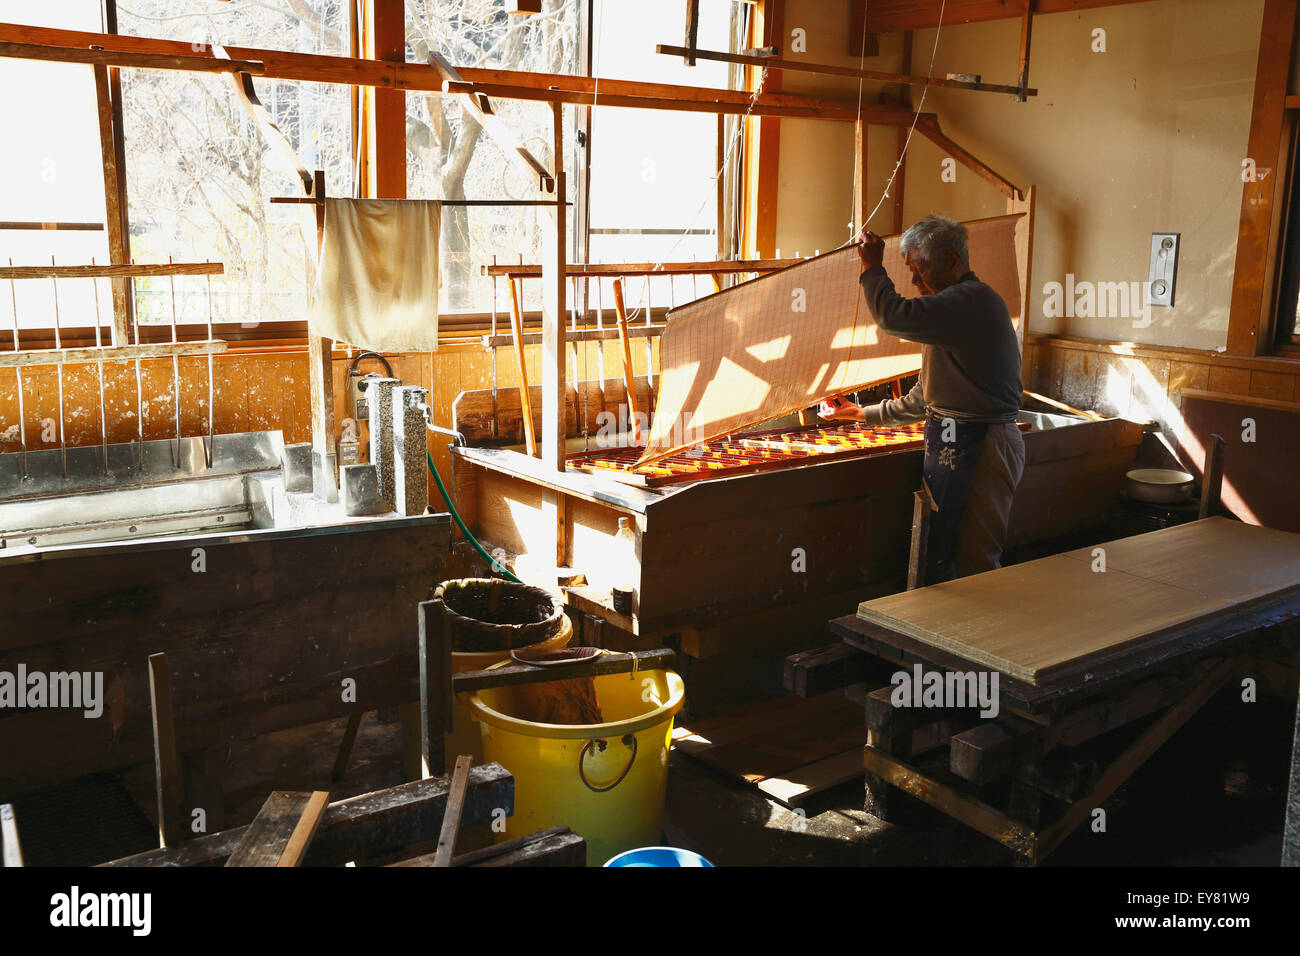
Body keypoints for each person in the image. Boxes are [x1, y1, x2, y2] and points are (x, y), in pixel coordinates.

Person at [821, 215, 1025, 582]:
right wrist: (859, 413)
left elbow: (892, 316)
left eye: (919, 268)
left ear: (952, 260)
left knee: (975, 563)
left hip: (983, 445)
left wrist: (872, 267)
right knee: (942, 556)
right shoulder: (951, 312)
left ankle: (978, 637)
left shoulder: (969, 302)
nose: (914, 281)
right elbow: (922, 399)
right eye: (909, 270)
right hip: (956, 440)